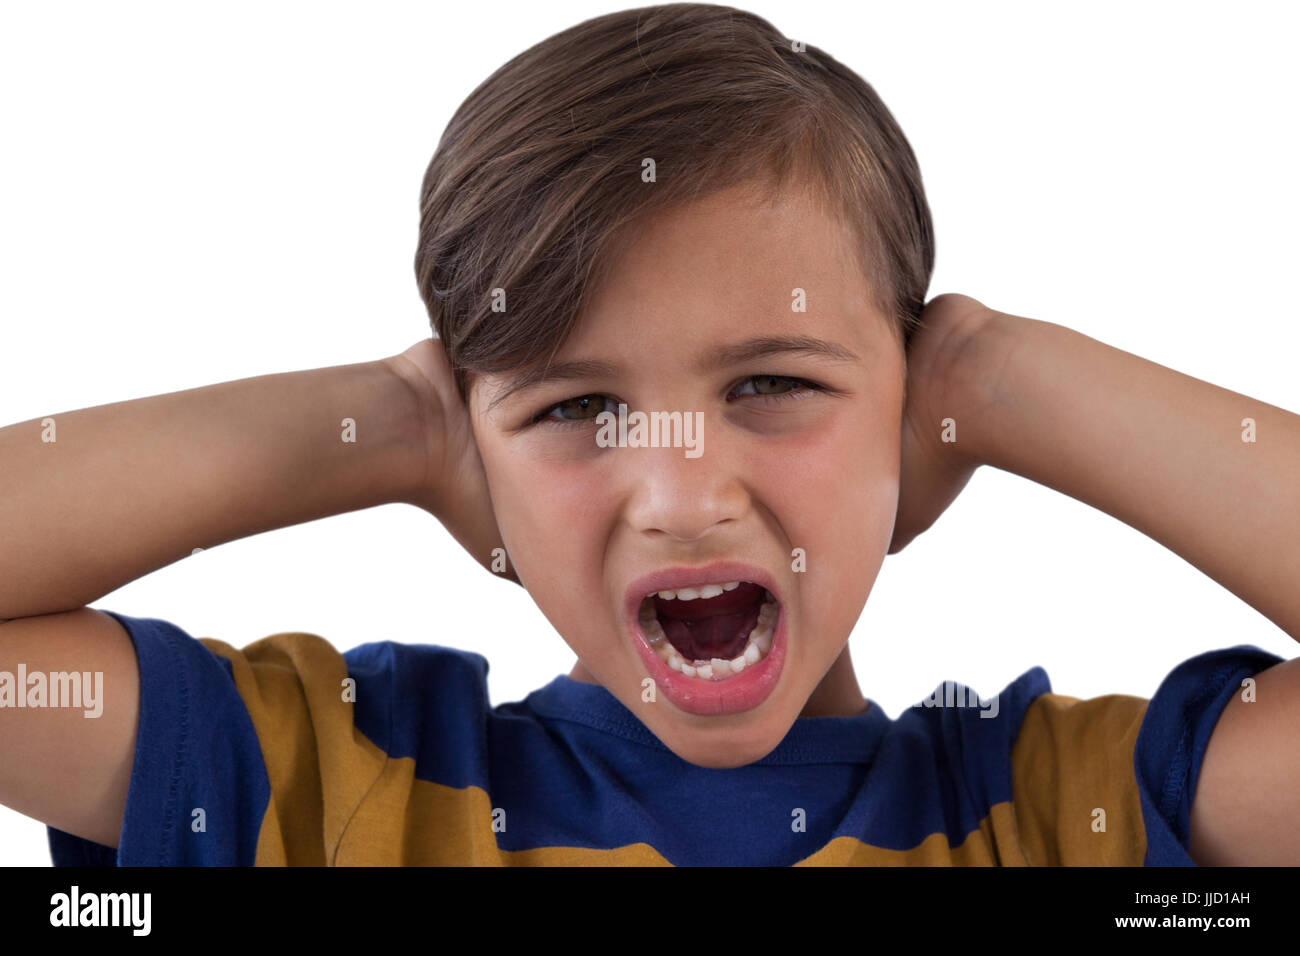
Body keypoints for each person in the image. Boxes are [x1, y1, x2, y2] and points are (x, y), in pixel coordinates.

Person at [2, 3, 1295, 866]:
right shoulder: (348, 789)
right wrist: (387, 422)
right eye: (575, 407)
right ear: (473, 449)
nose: (681, 494)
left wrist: (996, 379)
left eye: (773, 383)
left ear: (908, 415)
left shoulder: (1063, 822)